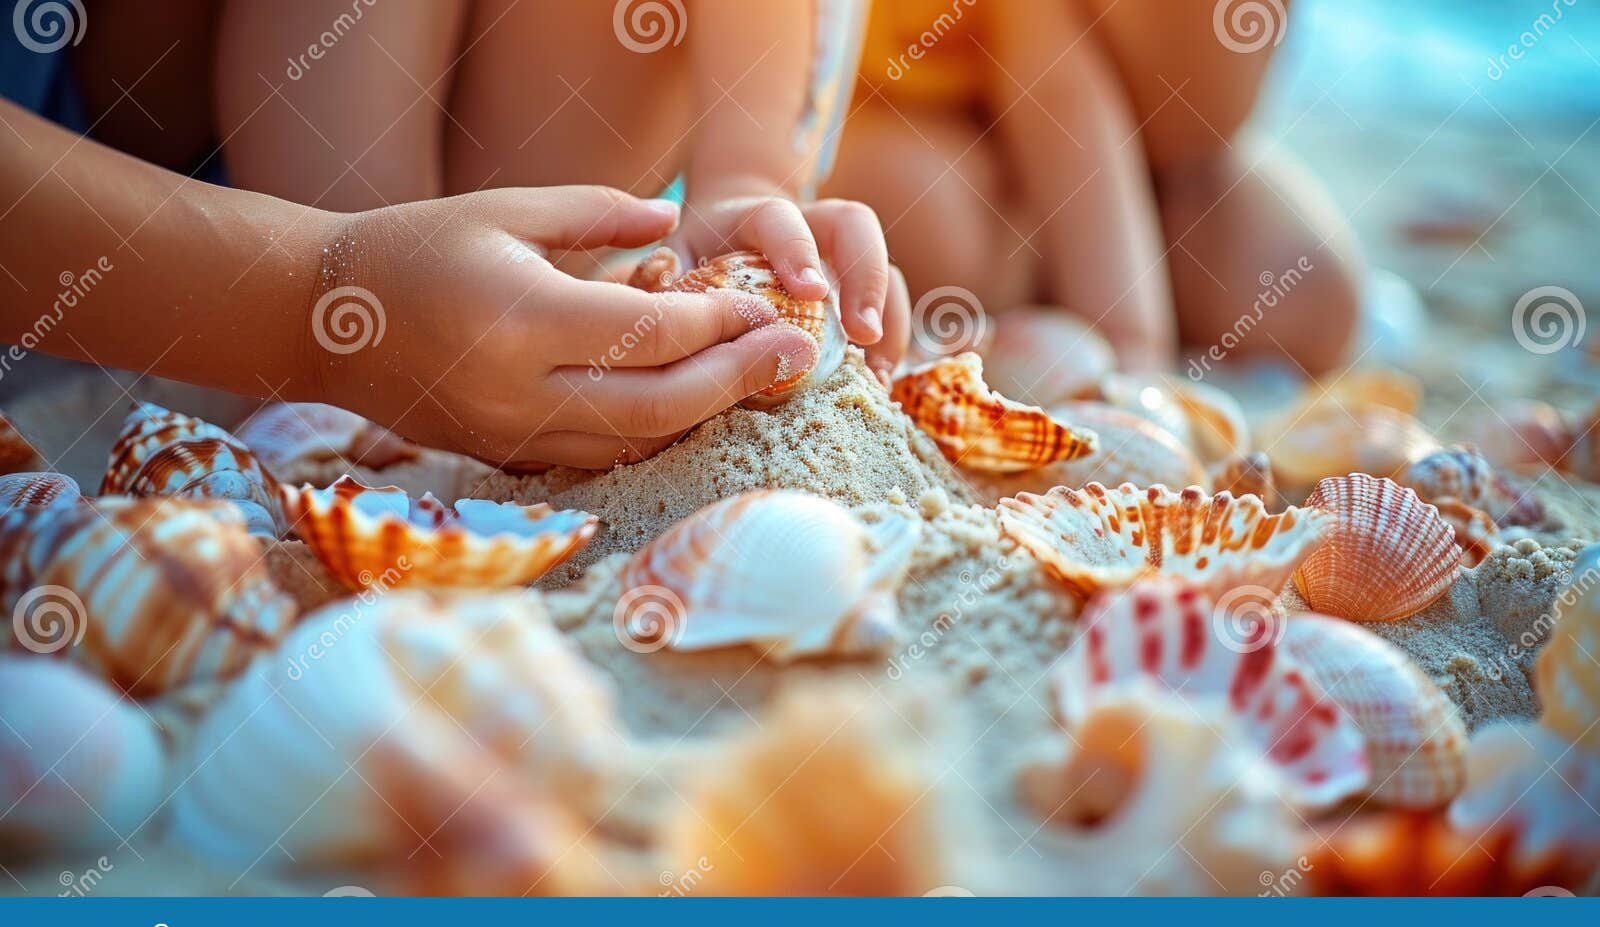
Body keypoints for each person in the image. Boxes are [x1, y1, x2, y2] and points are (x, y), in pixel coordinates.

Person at [0, 1, 904, 471]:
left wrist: (750, 171)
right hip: (88, 192)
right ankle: (370, 308)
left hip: (450, 175)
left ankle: (490, 298)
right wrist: (329, 292)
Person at [825, 0, 1363, 376]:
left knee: (1309, 295)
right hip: (919, 111)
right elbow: (1056, 86)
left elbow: (1213, 107)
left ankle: (1054, 262)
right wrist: (1134, 352)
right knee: (930, 222)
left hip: (1128, 133)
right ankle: (1061, 271)